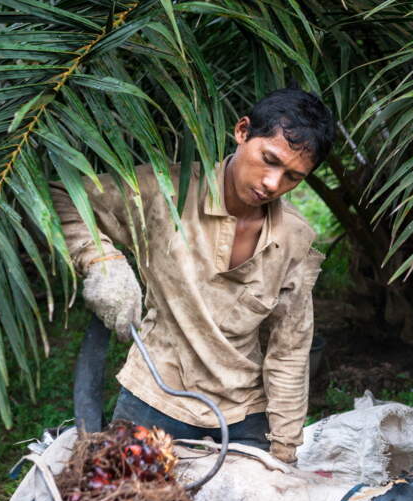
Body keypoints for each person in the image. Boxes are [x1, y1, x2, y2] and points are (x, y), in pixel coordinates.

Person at [51, 88, 336, 464]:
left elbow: (290, 350)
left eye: (292, 178)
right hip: (155, 394)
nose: (272, 183)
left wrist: (282, 449)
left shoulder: (294, 237)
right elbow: (64, 196)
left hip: (245, 412)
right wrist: (101, 261)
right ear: (242, 131)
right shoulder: (167, 192)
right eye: (269, 160)